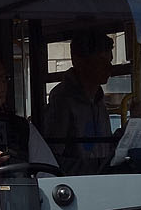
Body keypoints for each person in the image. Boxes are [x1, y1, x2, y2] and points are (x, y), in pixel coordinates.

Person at [42, 31, 116, 174]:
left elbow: (105, 148)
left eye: (110, 61)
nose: (109, 68)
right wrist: (91, 168)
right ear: (79, 61)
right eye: (101, 61)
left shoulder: (99, 100)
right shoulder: (62, 100)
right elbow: (52, 158)